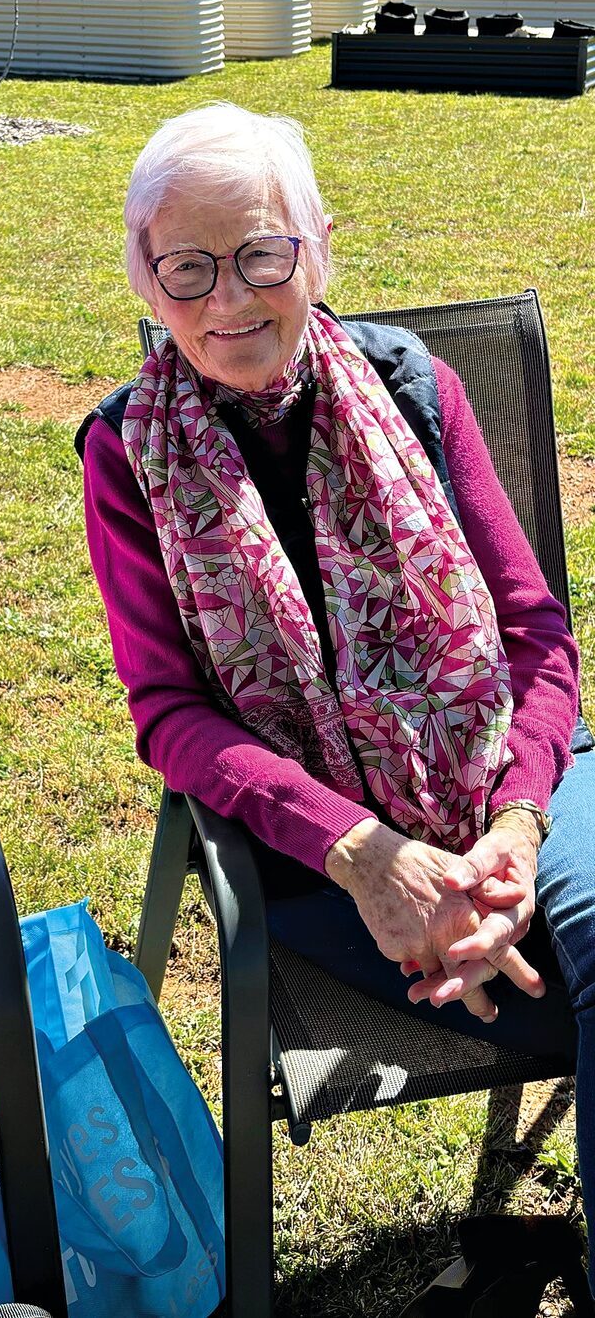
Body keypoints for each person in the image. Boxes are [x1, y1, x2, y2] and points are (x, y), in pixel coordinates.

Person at [79, 102, 594, 1256]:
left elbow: (533, 639)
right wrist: (367, 857)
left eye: (262, 253)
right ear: (141, 277)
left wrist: (509, 829)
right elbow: (168, 715)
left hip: (513, 792)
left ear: (317, 246)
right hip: (312, 851)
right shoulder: (124, 452)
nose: (228, 300)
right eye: (187, 267)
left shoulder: (413, 386)